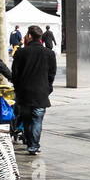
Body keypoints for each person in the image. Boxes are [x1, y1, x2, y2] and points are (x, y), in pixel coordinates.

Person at [11, 24, 57, 155]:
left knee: (26, 119)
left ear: (29, 36)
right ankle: (33, 145)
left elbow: (15, 73)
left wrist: (17, 87)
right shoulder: (49, 53)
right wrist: (48, 87)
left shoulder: (21, 52)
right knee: (37, 120)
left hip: (24, 92)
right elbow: (51, 73)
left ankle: (31, 143)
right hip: (41, 92)